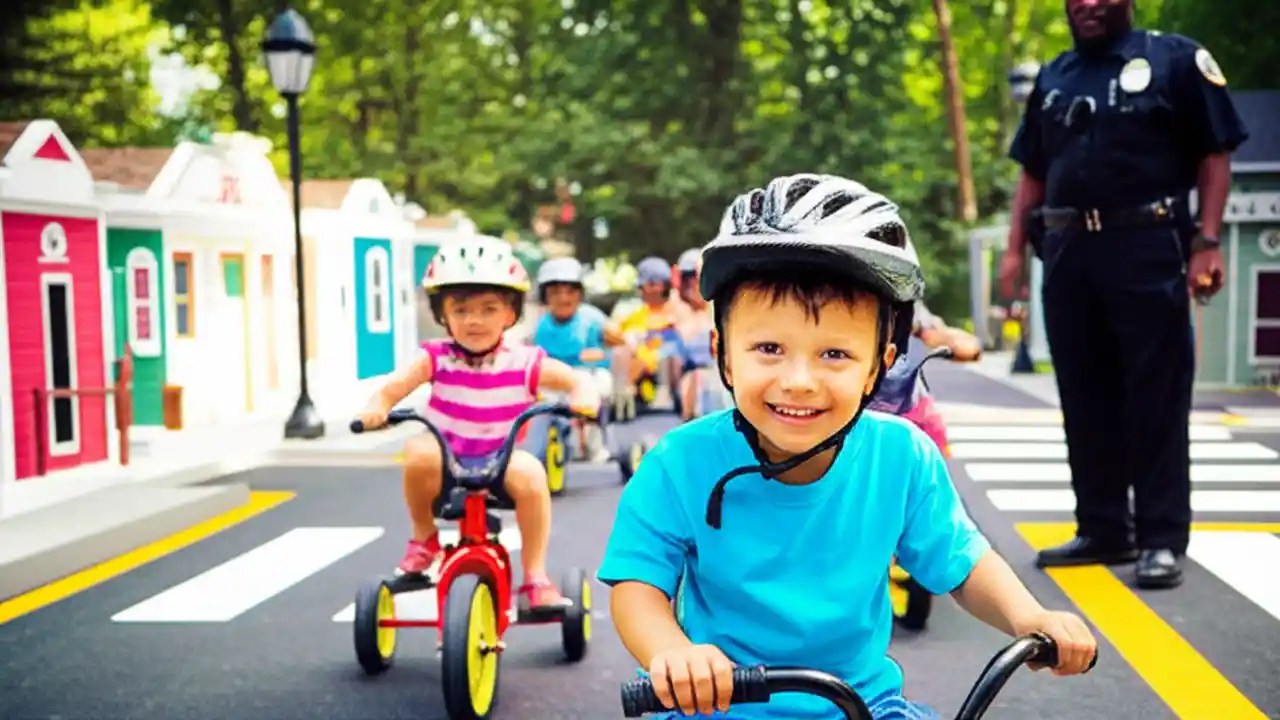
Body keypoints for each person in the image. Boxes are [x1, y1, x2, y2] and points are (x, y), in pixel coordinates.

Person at [599, 174, 1097, 720]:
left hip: (861, 705)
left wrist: (1028, 616)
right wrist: (672, 653)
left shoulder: (903, 457)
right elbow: (637, 584)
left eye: (834, 354)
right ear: (723, 353)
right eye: (768, 348)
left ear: (878, 367)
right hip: (715, 703)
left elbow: (963, 562)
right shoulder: (677, 463)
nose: (799, 380)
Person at [1000, 0, 1249, 588]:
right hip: (1066, 251)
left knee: (1155, 396)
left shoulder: (1175, 60)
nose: (1087, 4)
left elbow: (1215, 151)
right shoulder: (1056, 76)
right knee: (1084, 394)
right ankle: (1104, 528)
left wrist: (1206, 243)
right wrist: (1013, 249)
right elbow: (1031, 170)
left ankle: (1161, 538)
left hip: (1146, 243)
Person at [356, 237, 600, 611]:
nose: (474, 320)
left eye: (489, 309)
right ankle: (424, 538)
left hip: (501, 463)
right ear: (442, 314)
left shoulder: (525, 360)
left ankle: (535, 575)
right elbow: (392, 387)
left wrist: (585, 397)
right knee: (418, 451)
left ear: (510, 313)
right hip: (446, 464)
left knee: (533, 473)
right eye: (461, 309)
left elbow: (574, 380)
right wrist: (377, 407)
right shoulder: (434, 358)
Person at [527, 256, 621, 462]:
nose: (563, 298)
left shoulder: (592, 318)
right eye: (555, 293)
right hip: (557, 378)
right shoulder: (543, 325)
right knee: (539, 400)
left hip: (589, 373)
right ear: (545, 296)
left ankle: (594, 439)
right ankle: (538, 447)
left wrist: (601, 350)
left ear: (580, 294)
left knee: (597, 389)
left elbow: (615, 343)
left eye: (570, 292)